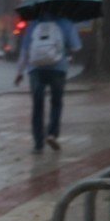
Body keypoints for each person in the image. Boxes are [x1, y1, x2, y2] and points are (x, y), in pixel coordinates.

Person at [14, 12, 81, 153]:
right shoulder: (66, 22)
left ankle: (38, 144)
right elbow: (76, 47)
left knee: (37, 106)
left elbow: (25, 51)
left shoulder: (34, 24)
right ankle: (52, 134)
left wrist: (19, 73)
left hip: (36, 69)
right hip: (58, 68)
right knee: (56, 102)